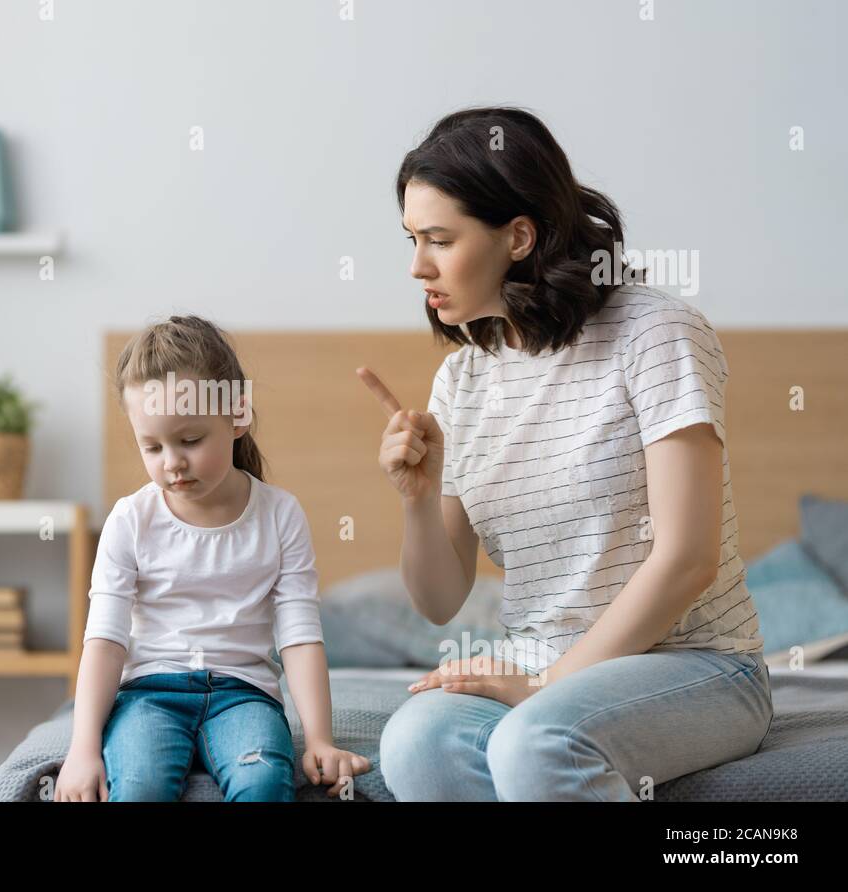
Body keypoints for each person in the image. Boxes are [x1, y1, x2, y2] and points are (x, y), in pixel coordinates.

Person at [368, 106, 771, 801]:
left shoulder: (654, 332)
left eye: (438, 239)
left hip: (696, 664)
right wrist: (418, 499)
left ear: (518, 236)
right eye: (410, 239)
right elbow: (439, 600)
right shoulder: (464, 379)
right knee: (415, 739)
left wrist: (550, 686)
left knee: (538, 738)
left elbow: (687, 558)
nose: (417, 266)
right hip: (540, 663)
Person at [56, 315, 372, 801]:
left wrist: (319, 740)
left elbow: (300, 637)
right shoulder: (129, 520)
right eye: (152, 445)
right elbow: (104, 640)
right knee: (138, 786)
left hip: (243, 697)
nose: (172, 463)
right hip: (148, 696)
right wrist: (83, 748)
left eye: (190, 440)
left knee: (263, 781)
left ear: (237, 415)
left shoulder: (280, 514)